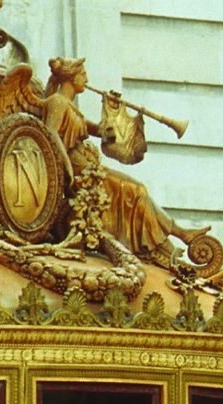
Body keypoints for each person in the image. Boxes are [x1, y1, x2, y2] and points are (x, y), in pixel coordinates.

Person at [38, 56, 208, 259]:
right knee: (136, 190)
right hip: (79, 171)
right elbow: (49, 132)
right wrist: (65, 163)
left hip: (87, 167)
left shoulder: (69, 104)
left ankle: (175, 235)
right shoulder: (57, 101)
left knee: (136, 189)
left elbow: (99, 131)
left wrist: (113, 112)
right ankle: (175, 235)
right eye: (82, 74)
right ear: (71, 78)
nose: (86, 78)